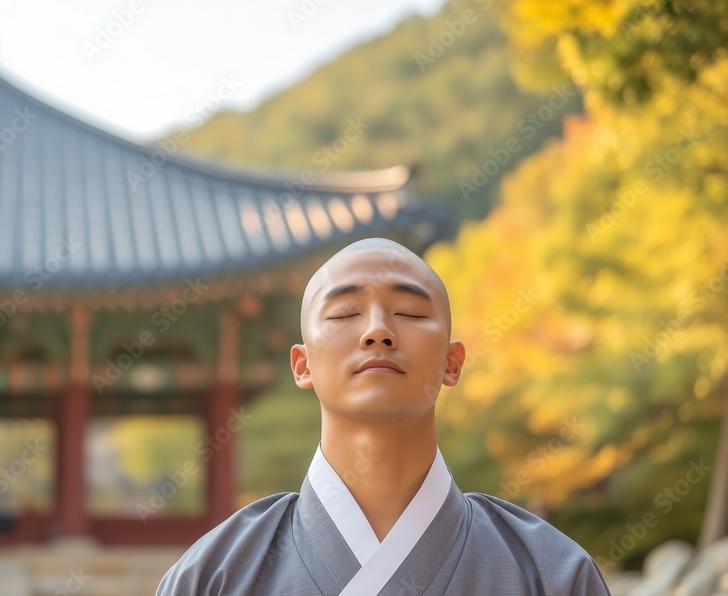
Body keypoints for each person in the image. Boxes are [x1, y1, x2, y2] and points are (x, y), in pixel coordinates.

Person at [156, 237, 610, 595]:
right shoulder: (214, 577)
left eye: (409, 312)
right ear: (302, 365)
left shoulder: (550, 574)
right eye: (345, 312)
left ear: (452, 362)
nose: (377, 331)